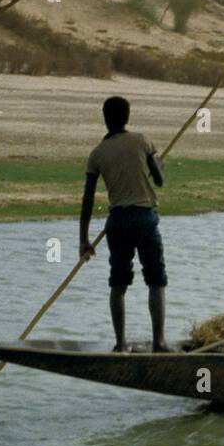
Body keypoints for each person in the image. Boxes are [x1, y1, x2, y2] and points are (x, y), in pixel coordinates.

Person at [78, 96, 169, 353]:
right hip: (144, 218)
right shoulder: (142, 141)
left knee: (118, 284)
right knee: (156, 280)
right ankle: (159, 342)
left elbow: (87, 201)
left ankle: (120, 344)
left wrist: (83, 240)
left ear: (105, 119)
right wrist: (159, 166)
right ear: (127, 117)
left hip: (117, 222)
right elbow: (159, 181)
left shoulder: (97, 154)